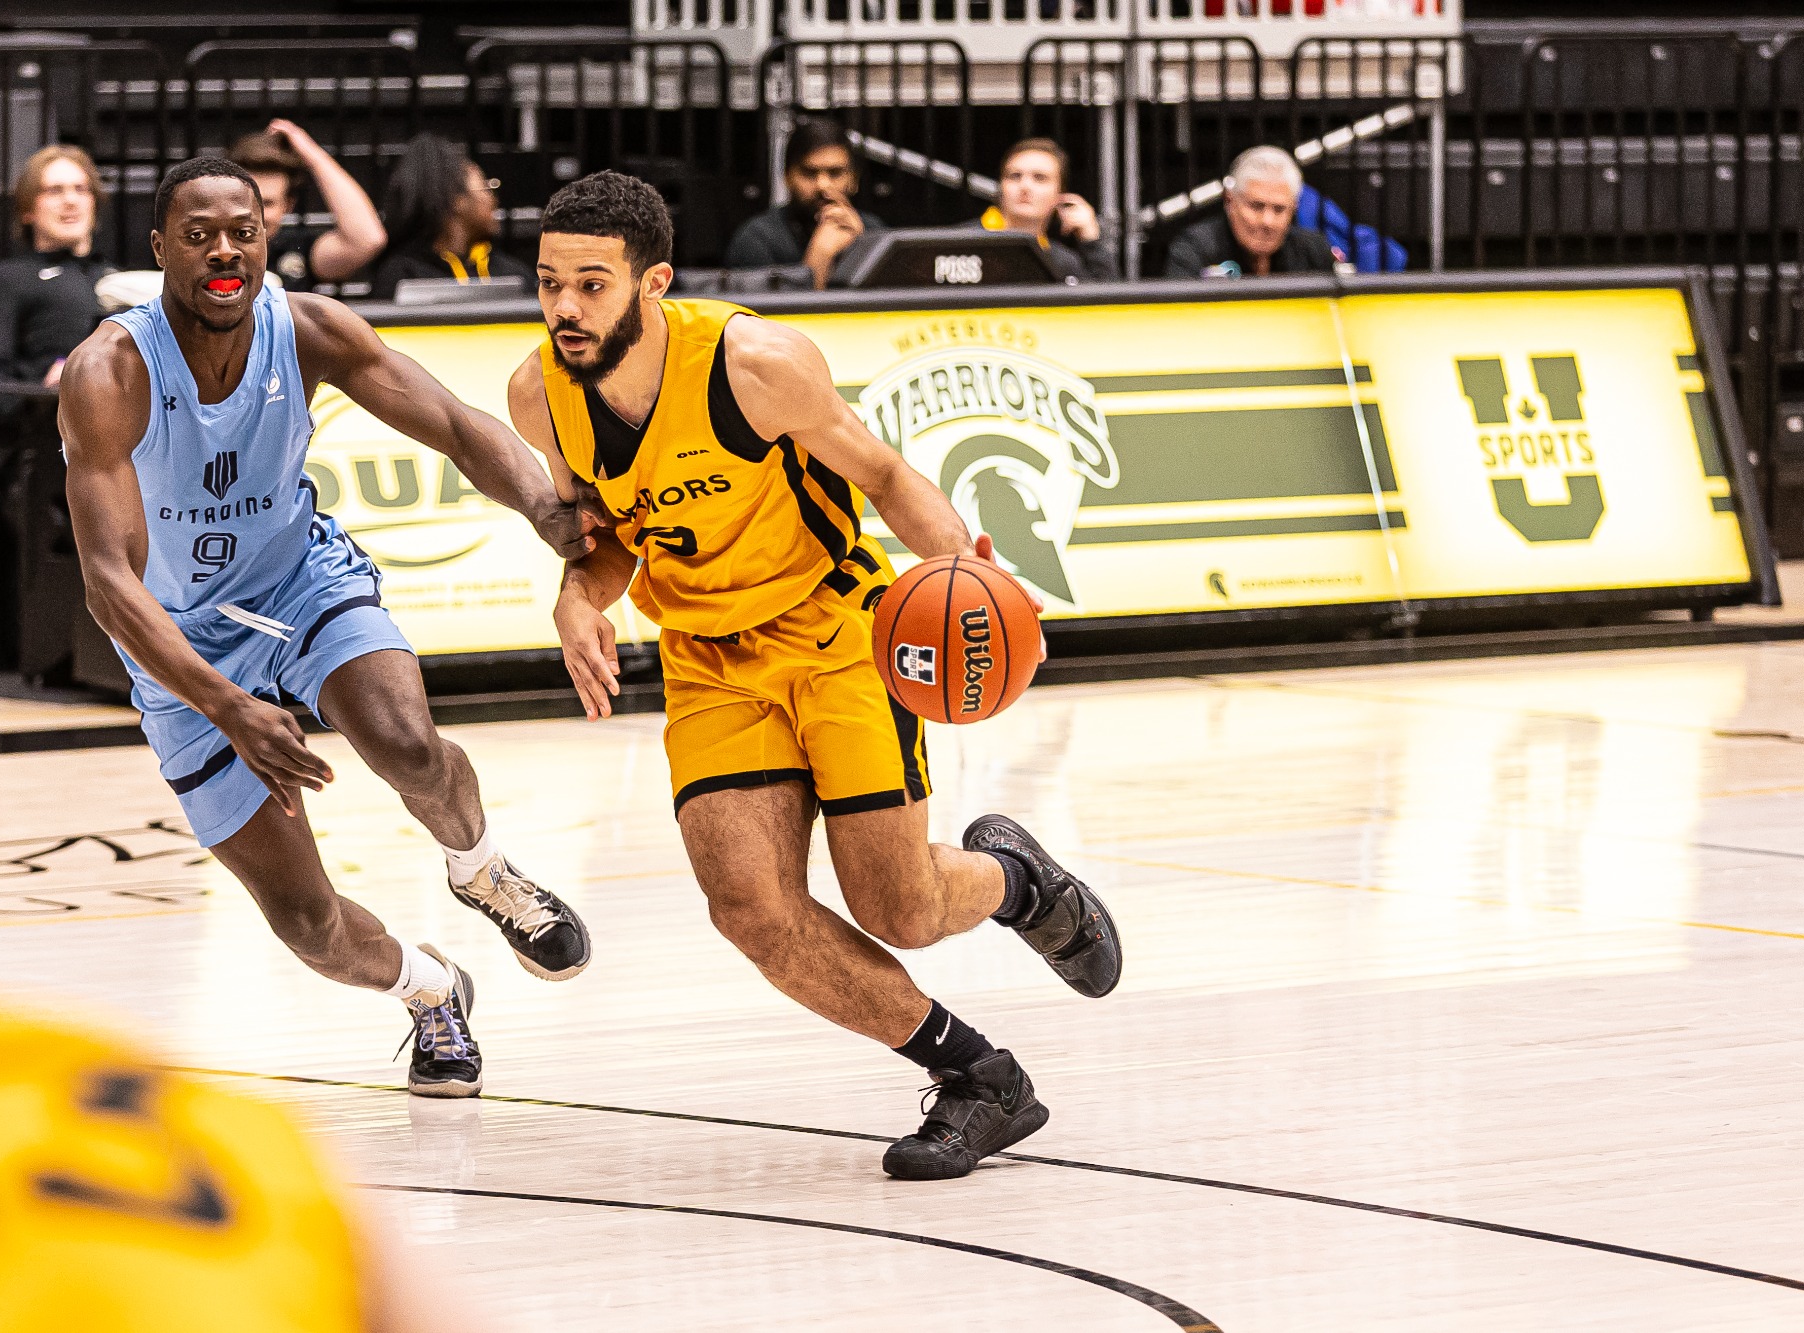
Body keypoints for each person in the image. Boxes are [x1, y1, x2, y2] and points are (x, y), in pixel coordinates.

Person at [510, 172, 1122, 1181]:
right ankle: (981, 1079)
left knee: (901, 908)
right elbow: (609, 539)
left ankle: (1019, 884)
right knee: (749, 910)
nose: (565, 309)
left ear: (651, 282)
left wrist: (976, 580)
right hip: (707, 659)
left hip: (834, 630)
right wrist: (579, 596)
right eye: (548, 284)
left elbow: (881, 475)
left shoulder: (754, 364)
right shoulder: (540, 395)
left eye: (590, 285)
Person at [58, 157, 599, 1097]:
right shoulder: (111, 372)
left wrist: (545, 508)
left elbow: (456, 424)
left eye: (243, 230)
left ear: (268, 238)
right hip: (177, 642)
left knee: (405, 740)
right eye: (198, 235)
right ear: (159, 251)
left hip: (296, 581)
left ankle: (481, 871)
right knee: (305, 924)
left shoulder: (307, 329)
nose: (224, 250)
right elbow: (109, 585)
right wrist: (227, 704)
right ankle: (432, 991)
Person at [0, 581, 416, 1330]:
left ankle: (468, 897)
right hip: (194, 678)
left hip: (277, 613)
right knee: (306, 920)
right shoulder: (248, 1139)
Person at [0, 144, 117, 668]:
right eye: (54, 190)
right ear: (28, 209)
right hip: (35, 457)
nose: (69, 201)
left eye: (80, 189)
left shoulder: (122, 284)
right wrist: (49, 380)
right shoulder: (8, 280)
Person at [724, 118, 885, 291]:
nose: (823, 185)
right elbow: (763, 316)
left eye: (835, 173)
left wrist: (861, 247)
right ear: (787, 177)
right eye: (809, 173)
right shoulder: (756, 239)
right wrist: (820, 257)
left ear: (854, 179)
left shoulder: (875, 231)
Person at [229, 120, 388, 293]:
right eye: (246, 201)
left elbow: (367, 240)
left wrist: (311, 154)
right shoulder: (205, 250)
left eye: (267, 203)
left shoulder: (296, 250)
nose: (255, 214)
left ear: (288, 205)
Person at [370, 134, 532, 301]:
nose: (493, 199)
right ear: (457, 201)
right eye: (485, 187)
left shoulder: (515, 274)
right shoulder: (401, 275)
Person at [1164, 145, 1340, 279]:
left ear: (1294, 208)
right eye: (1256, 206)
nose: (1267, 221)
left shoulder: (1313, 250)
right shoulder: (1193, 249)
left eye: (1279, 209)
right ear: (1229, 200)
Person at [976, 138, 1119, 283]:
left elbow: (1110, 301)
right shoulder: (959, 242)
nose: (1025, 186)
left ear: (1060, 194)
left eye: (1039, 178)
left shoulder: (1064, 262)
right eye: (1014, 176)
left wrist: (1091, 241)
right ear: (1001, 186)